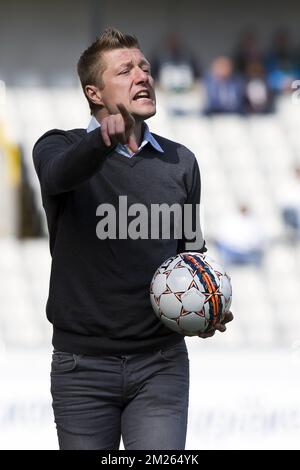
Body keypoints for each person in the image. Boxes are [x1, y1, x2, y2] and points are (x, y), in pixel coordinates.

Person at [33, 27, 233, 451]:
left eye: (144, 66)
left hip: (161, 365)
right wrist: (106, 135)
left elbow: (189, 254)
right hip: (80, 369)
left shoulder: (182, 162)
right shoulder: (56, 147)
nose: (142, 75)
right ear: (94, 92)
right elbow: (60, 174)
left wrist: (206, 305)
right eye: (125, 70)